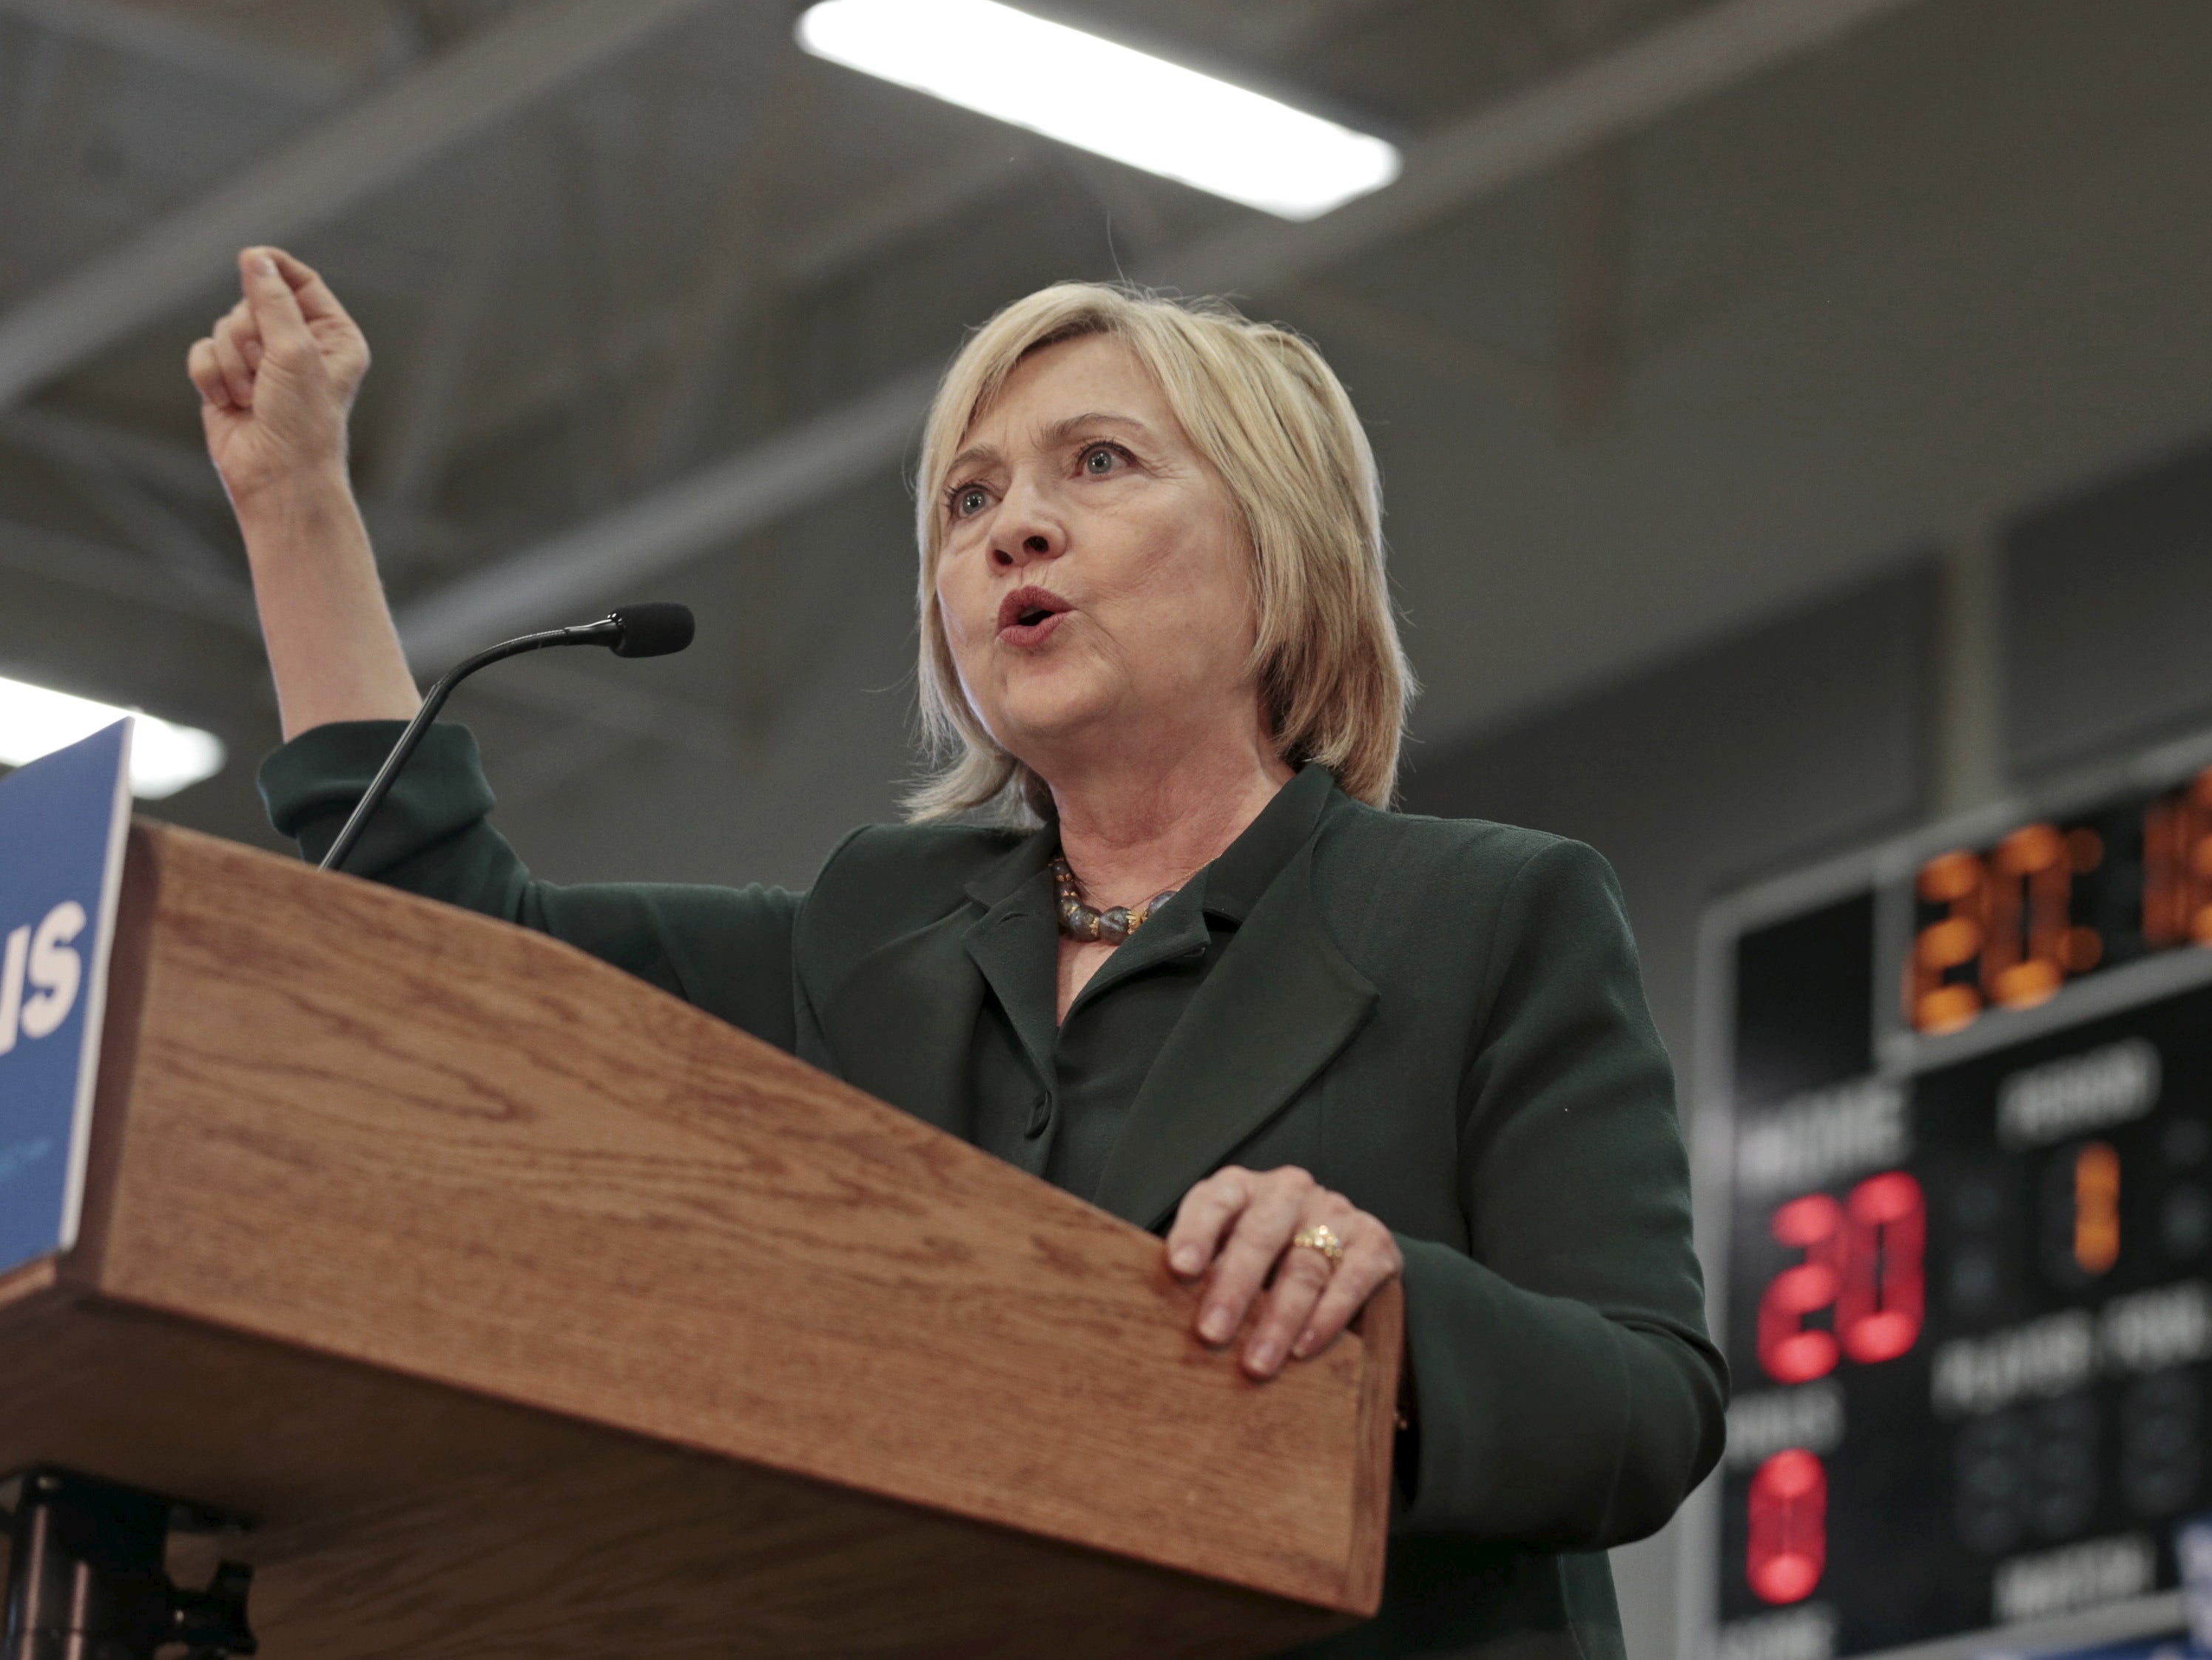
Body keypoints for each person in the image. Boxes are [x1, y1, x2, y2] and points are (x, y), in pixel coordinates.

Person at [189, 246, 1725, 1660]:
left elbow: (1648, 1404)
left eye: (1098, 465)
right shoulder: (877, 937)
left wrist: (1391, 1299)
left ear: (1283, 553)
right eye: (967, 501)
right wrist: (295, 503)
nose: (1016, 529)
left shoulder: (1484, 916)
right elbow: (451, 958)